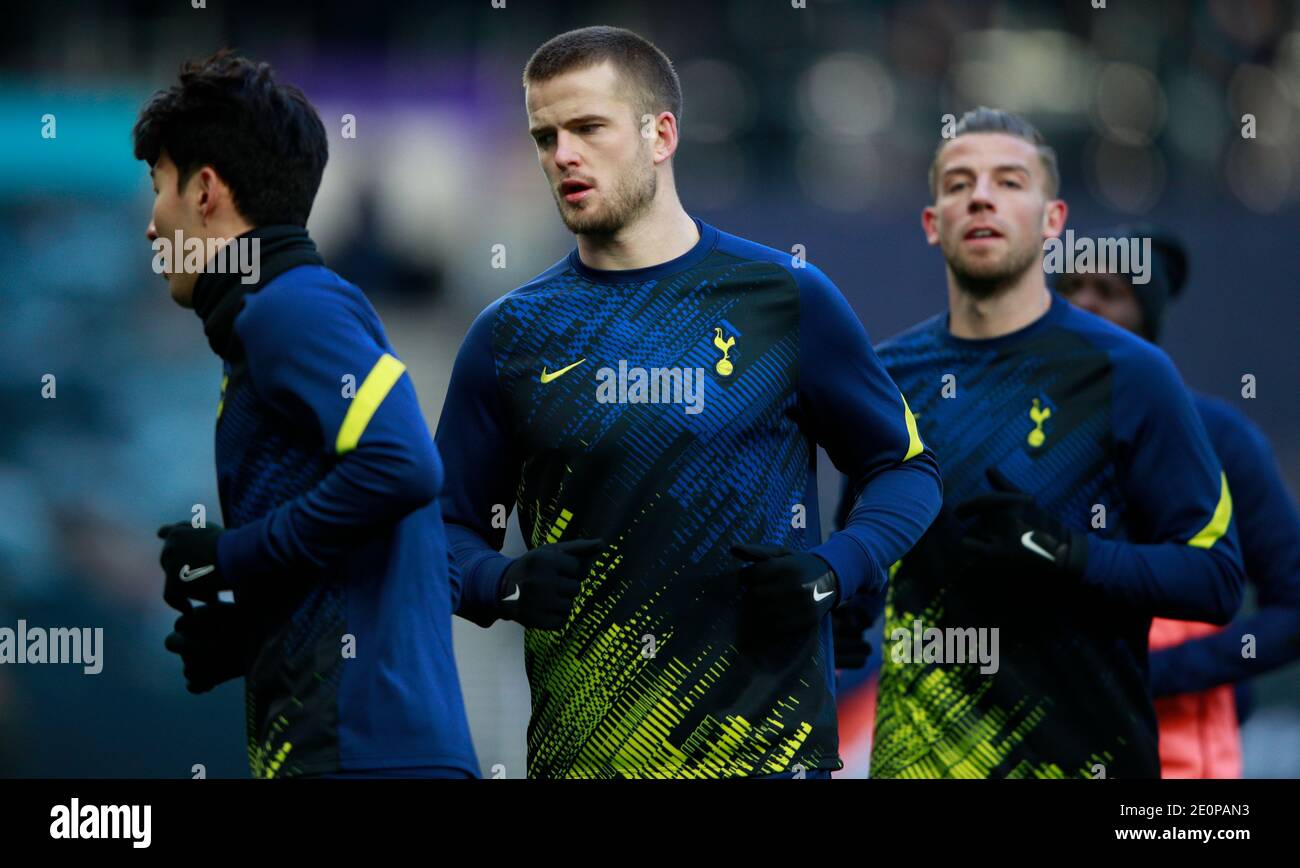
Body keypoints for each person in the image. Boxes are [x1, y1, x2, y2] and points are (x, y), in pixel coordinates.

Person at [434, 26, 942, 779]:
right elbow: (438, 529)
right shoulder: (509, 335)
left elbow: (907, 470)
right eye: (545, 136)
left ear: (660, 133)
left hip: (770, 760)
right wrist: (496, 583)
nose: (562, 155)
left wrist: (837, 566)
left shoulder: (786, 299)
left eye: (587, 128)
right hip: (585, 763)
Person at [851, 107, 1244, 778]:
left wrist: (1069, 554)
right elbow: (858, 576)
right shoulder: (883, 379)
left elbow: (1216, 578)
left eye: (1009, 181)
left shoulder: (1131, 373)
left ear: (1054, 221)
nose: (980, 195)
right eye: (957, 184)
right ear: (931, 222)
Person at [137, 50, 478, 778]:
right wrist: (254, 631)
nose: (149, 224)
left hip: (359, 754)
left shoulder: (290, 306)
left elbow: (404, 466)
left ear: (205, 191)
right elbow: (388, 533)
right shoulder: (289, 309)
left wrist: (233, 556)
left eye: (157, 186)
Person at [1058, 225, 1300, 778]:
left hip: (1181, 767)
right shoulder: (1024, 436)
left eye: (1109, 290)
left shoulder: (1219, 438)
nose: (1084, 303)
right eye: (1069, 286)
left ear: (1148, 317)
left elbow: (1293, 609)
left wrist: (1158, 672)